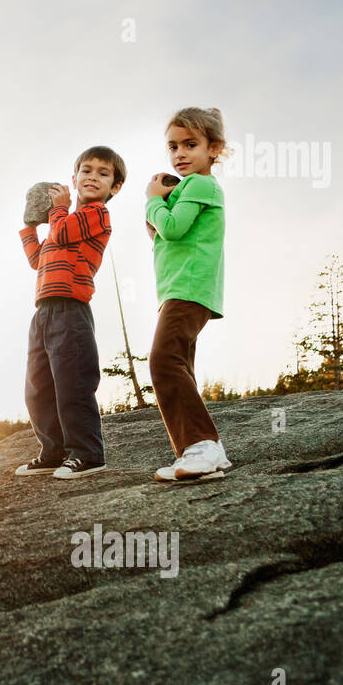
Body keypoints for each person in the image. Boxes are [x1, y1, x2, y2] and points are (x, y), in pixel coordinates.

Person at [15, 146, 125, 479]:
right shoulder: (62, 220)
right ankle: (54, 451)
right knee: (39, 387)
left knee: (72, 385)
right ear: (73, 177)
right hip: (44, 312)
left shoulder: (96, 216)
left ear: (114, 188)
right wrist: (28, 228)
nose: (93, 177)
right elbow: (38, 259)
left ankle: (88, 453)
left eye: (103, 174)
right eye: (86, 170)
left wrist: (57, 210)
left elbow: (62, 232)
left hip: (71, 310)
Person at [144, 107, 231, 481]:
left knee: (163, 361)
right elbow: (159, 234)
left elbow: (173, 231)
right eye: (173, 146)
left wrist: (152, 199)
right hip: (183, 289)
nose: (179, 154)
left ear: (214, 149)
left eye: (190, 145)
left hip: (188, 287)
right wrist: (162, 204)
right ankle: (207, 453)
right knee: (180, 366)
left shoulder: (200, 185)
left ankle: (201, 446)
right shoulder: (188, 189)